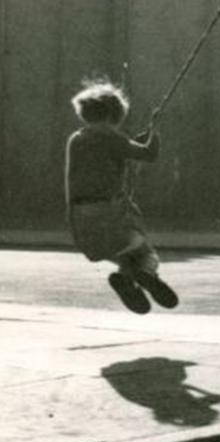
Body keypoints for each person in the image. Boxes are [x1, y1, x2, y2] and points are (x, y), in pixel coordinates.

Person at [65, 78, 178, 314]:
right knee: (145, 253)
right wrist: (154, 129)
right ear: (114, 113)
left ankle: (125, 279)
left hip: (80, 215)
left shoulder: (76, 139)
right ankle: (144, 276)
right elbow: (149, 154)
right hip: (110, 211)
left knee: (125, 254)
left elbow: (101, 161)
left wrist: (126, 146)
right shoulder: (113, 138)